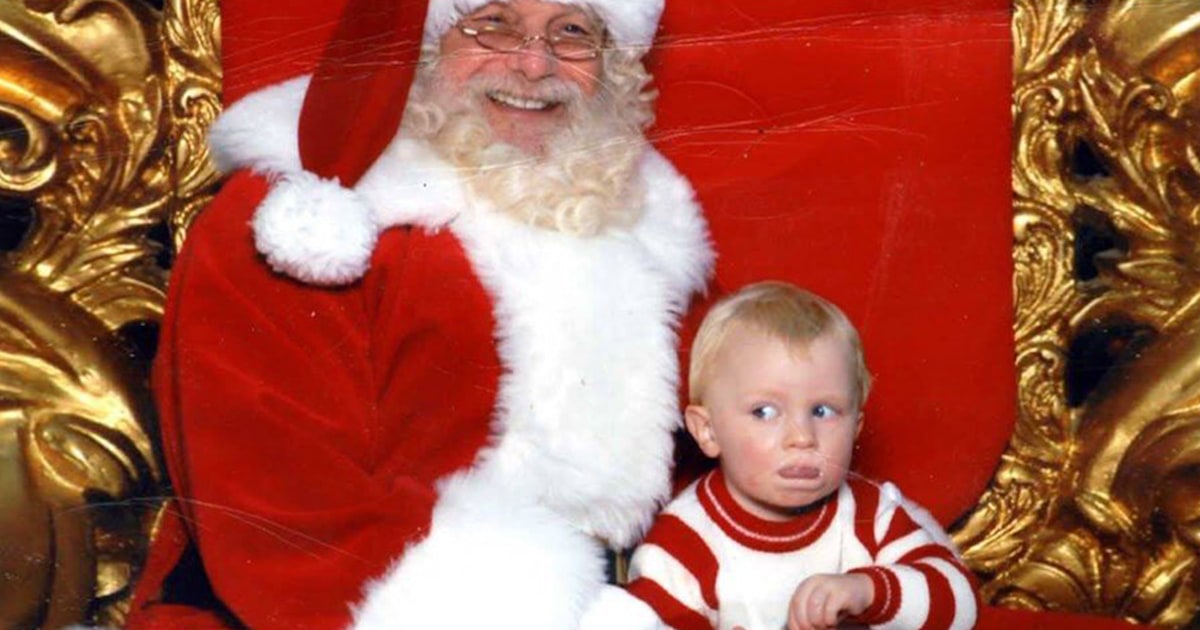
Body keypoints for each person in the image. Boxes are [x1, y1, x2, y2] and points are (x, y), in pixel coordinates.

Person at [126, 0, 712, 628]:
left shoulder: (651, 225)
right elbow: (282, 516)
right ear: (426, 43)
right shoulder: (300, 215)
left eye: (572, 32)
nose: (534, 63)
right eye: (494, 23)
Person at [626, 282, 979, 630]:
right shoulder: (680, 547)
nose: (802, 437)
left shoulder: (870, 514)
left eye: (823, 411)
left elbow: (963, 605)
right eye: (764, 412)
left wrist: (870, 591)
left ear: (856, 427)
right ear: (708, 430)